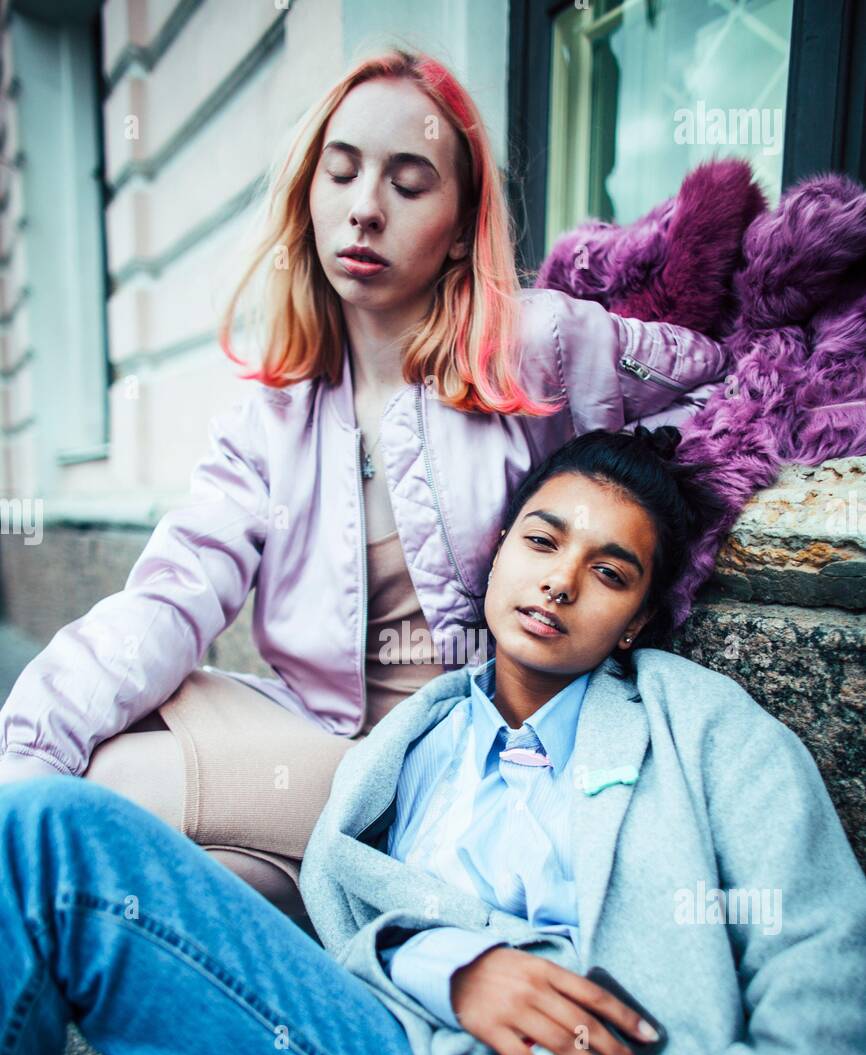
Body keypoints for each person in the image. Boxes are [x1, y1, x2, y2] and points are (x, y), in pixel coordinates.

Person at [2, 426, 863, 1055]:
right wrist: (450, 966)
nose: (561, 581)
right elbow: (347, 931)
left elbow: (832, 993)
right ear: (494, 558)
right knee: (50, 831)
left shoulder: (704, 731)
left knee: (49, 838)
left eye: (610, 572)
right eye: (541, 540)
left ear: (638, 619)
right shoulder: (409, 747)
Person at [0, 48, 726, 922]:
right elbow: (169, 597)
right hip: (312, 735)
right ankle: (334, 920)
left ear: (462, 225)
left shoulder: (538, 346)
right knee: (146, 817)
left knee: (108, 795)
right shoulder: (270, 417)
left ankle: (351, 909)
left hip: (446, 751)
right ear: (309, 195)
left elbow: (724, 387)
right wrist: (30, 743)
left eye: (410, 183)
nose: (365, 210)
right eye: (339, 174)